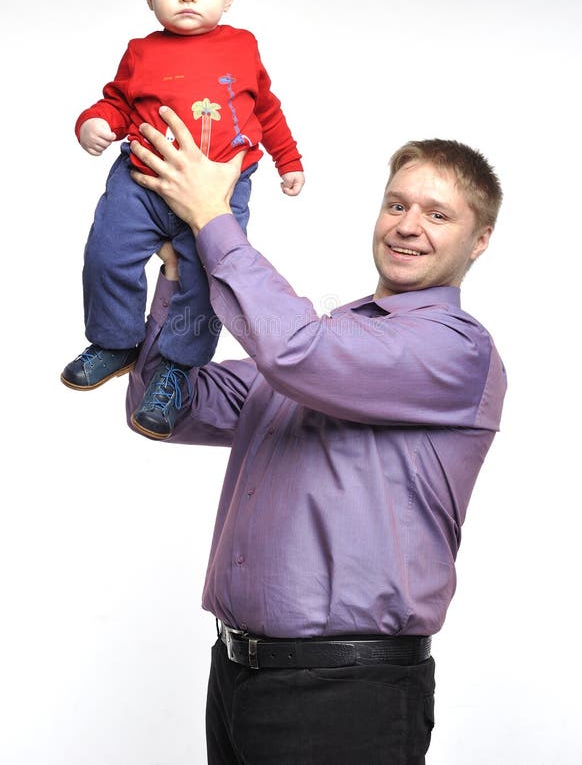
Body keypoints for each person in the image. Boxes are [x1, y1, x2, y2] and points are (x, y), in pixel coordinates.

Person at [126, 107, 506, 764]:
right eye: (397, 204)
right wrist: (180, 273)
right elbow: (167, 407)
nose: (408, 225)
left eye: (438, 214)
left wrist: (213, 219)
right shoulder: (326, 352)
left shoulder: (455, 351)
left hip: (347, 693)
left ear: (480, 239)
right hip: (239, 677)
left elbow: (295, 350)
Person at [60, 0, 304, 441]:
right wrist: (95, 123)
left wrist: (290, 161)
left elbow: (267, 109)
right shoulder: (142, 52)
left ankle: (176, 368)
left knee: (204, 280)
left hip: (221, 187)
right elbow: (118, 102)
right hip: (142, 182)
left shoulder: (242, 46)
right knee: (105, 252)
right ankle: (117, 340)